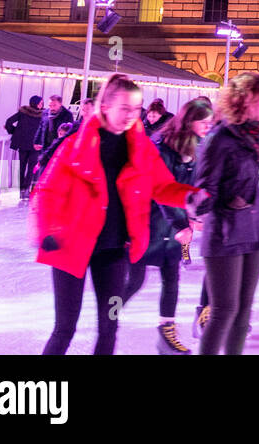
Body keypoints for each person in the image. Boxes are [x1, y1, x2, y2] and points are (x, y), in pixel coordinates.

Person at [33, 73, 205, 355]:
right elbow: (46, 190)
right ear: (105, 107)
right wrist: (49, 232)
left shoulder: (142, 148)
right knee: (65, 328)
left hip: (113, 249)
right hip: (71, 245)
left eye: (136, 109)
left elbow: (162, 186)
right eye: (124, 108)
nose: (131, 115)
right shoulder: (75, 145)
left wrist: (191, 196)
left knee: (109, 326)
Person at [193, 72, 259, 356]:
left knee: (243, 314)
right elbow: (203, 190)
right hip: (224, 235)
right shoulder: (220, 139)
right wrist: (218, 200)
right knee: (223, 311)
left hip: (253, 232)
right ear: (244, 99)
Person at [123, 97, 212, 353]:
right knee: (135, 279)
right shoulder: (163, 146)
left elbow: (191, 187)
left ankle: (166, 334)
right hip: (146, 220)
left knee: (171, 277)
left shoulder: (195, 146)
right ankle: (108, 313)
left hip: (169, 224)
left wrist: (196, 215)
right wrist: (182, 223)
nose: (207, 126)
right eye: (203, 122)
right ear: (189, 121)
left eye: (209, 122)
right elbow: (159, 189)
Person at [5, 95, 44, 205]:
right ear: (35, 103)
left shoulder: (23, 113)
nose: (42, 105)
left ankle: (22, 190)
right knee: (31, 168)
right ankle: (25, 189)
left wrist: (15, 132)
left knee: (23, 167)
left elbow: (9, 122)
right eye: (40, 103)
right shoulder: (42, 115)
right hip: (34, 145)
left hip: (24, 144)